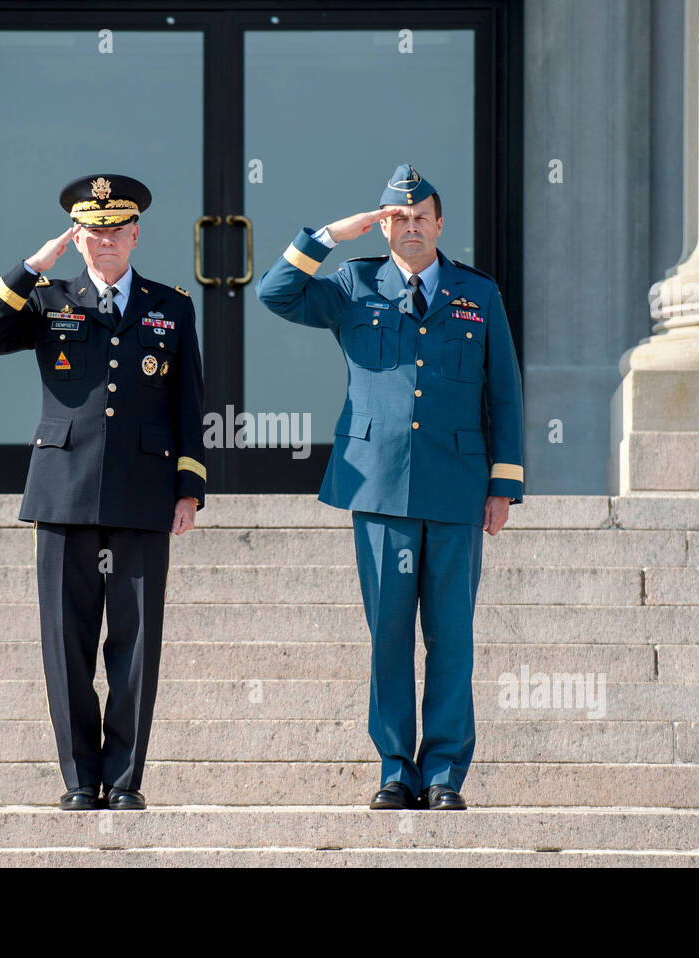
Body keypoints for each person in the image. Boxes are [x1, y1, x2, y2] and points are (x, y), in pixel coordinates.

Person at [255, 163, 524, 811]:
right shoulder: (352, 284)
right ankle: (396, 768)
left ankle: (444, 776)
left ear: (440, 224)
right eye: (397, 218)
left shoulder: (477, 293)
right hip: (376, 486)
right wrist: (329, 236)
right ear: (383, 225)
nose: (410, 227)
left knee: (452, 634)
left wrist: (503, 484)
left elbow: (505, 393)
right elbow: (276, 293)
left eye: (421, 217)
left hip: (458, 487)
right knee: (390, 634)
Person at [0, 173, 206, 811]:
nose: (104, 241)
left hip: (143, 493)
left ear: (135, 234)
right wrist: (29, 267)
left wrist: (188, 489)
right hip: (64, 490)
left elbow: (189, 404)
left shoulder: (171, 305)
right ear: (78, 239)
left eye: (115, 230)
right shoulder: (49, 299)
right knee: (65, 642)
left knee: (136, 644)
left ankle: (124, 781)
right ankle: (80, 780)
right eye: (92, 231)